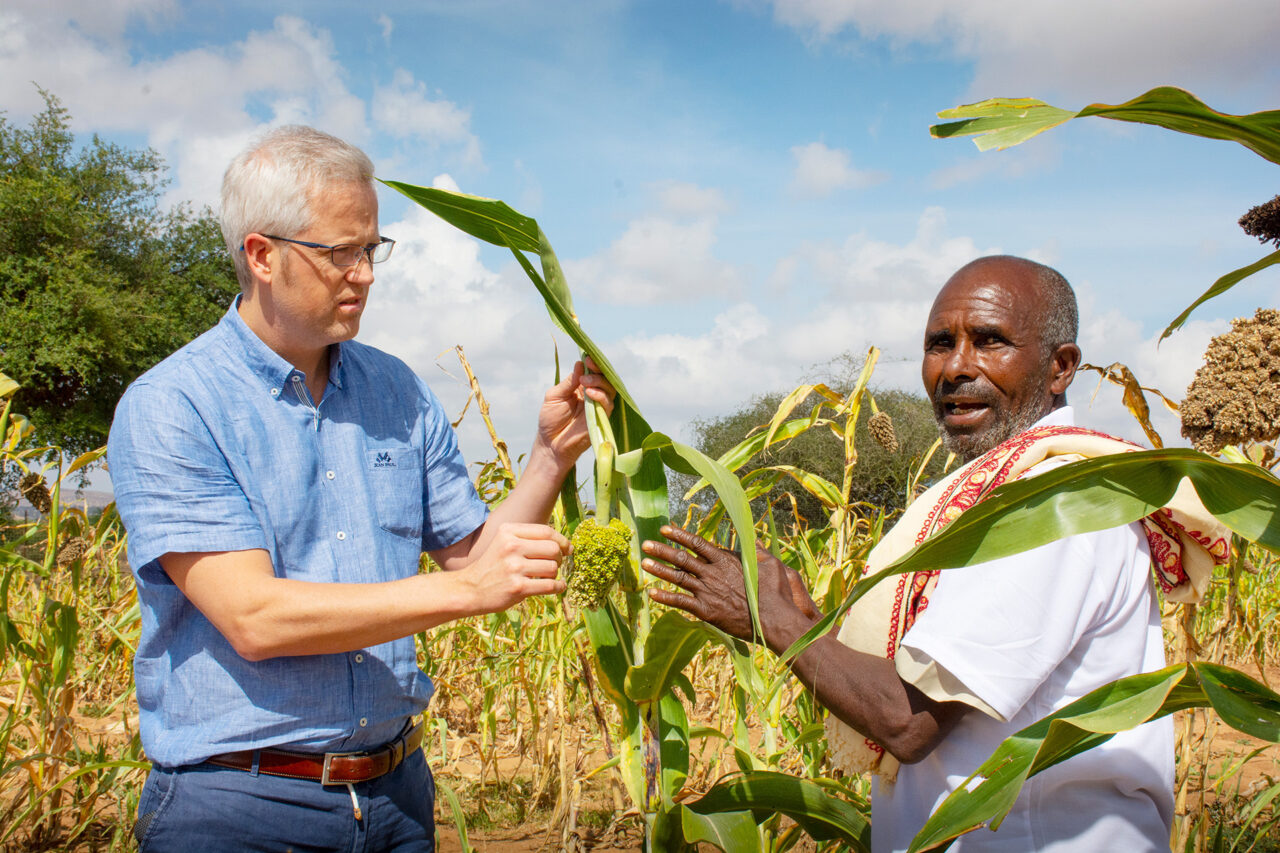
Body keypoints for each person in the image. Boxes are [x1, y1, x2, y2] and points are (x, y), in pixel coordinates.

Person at [107, 126, 614, 852]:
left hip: (395, 798)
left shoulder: (396, 391)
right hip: (240, 807)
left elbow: (475, 559)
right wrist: (468, 592)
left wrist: (549, 457)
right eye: (340, 252)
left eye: (372, 249)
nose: (365, 274)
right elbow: (254, 617)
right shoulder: (176, 405)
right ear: (262, 255)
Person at [641, 255, 1228, 852]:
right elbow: (920, 683)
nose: (955, 367)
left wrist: (772, 619)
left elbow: (909, 720)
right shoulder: (1001, 494)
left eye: (990, 341)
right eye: (940, 344)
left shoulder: (1056, 508)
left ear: (1060, 367)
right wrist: (808, 621)